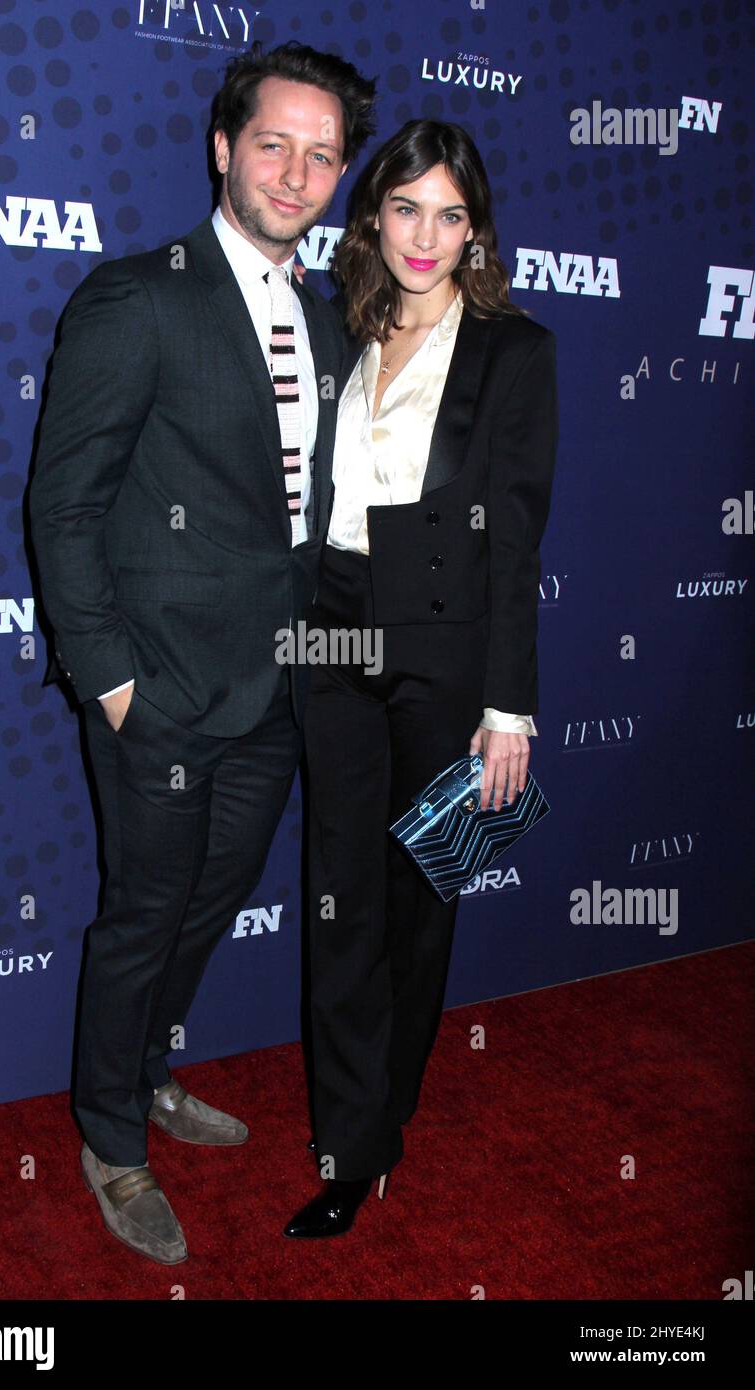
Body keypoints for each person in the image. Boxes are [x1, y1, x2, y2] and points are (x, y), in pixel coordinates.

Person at [29, 40, 376, 1266]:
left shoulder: (330, 322)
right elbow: (63, 510)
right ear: (222, 147)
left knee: (209, 906)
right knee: (141, 916)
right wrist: (113, 682)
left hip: (273, 691)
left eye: (322, 153)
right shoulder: (143, 297)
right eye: (272, 143)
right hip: (159, 691)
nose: (295, 172)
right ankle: (111, 1139)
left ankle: (154, 1065)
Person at [283, 119, 559, 1238]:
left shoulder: (515, 350)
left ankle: (387, 1112)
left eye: (451, 214)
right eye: (406, 208)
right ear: (374, 214)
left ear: (475, 230)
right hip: (333, 627)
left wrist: (510, 705)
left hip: (444, 640)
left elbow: (516, 541)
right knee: (340, 890)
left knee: (420, 895)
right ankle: (350, 1148)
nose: (425, 235)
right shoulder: (333, 326)